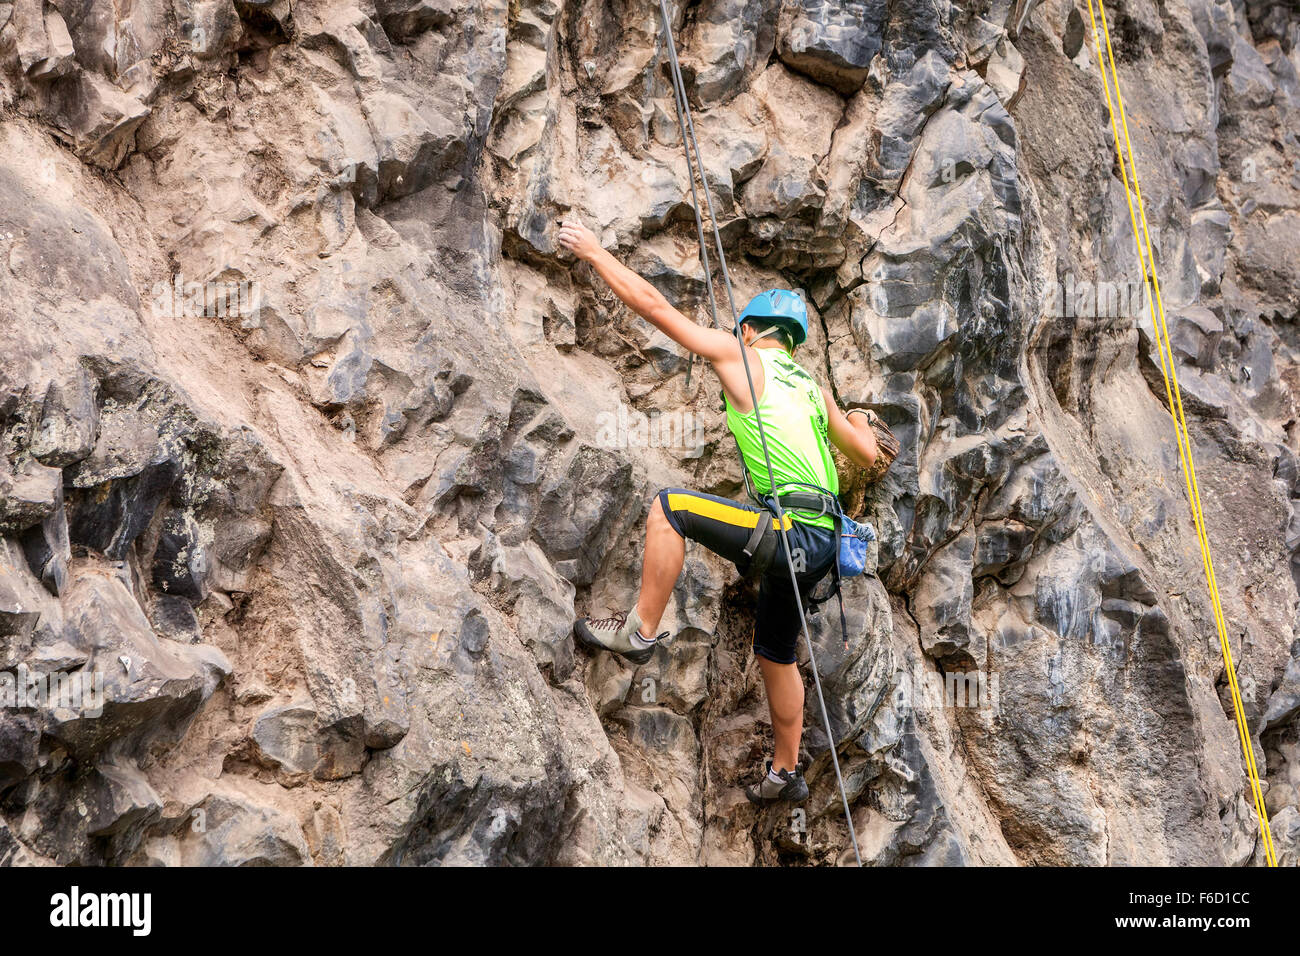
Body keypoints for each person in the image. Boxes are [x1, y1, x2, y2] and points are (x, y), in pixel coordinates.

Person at [557, 218, 883, 805]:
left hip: (789, 535)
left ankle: (640, 631)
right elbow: (865, 450)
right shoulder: (813, 388)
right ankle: (786, 771)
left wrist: (594, 253)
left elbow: (657, 308)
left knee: (670, 508)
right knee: (775, 653)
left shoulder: (742, 353)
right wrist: (857, 416)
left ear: (753, 330)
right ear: (793, 339)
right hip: (825, 547)